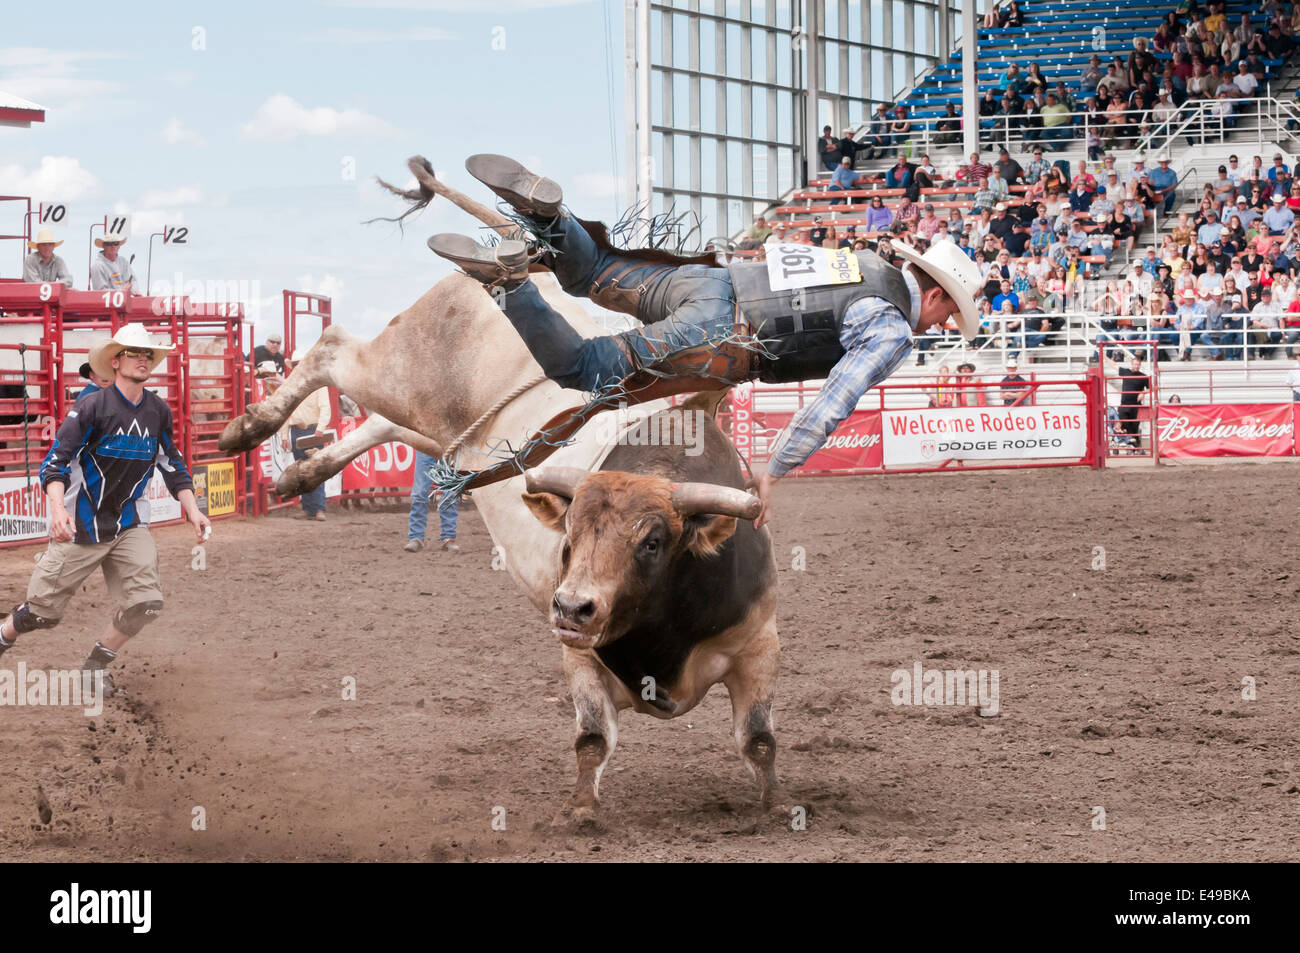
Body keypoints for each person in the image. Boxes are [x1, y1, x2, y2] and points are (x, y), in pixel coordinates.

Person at [426, 154, 982, 527]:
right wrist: (776, 465)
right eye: (945, 316)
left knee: (591, 272)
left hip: (711, 279)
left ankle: (547, 214)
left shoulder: (863, 262)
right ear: (936, 297)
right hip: (718, 336)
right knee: (584, 369)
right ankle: (509, 283)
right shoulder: (890, 325)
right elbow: (836, 399)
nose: (936, 326)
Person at [0, 324, 210, 693]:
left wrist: (192, 508)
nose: (144, 359)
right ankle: (4, 636)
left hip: (129, 523)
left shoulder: (157, 411)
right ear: (115, 361)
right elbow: (55, 463)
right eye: (135, 353)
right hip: (81, 525)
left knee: (146, 604)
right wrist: (57, 508)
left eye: (148, 354)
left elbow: (171, 461)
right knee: (41, 614)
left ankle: (94, 667)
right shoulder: (92, 407)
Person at [282, 349, 331, 521]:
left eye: (299, 364)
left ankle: (317, 508)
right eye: (295, 365)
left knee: (315, 470)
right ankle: (310, 508)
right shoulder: (290, 385)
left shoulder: (317, 384)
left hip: (312, 430)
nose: (297, 367)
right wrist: (284, 436)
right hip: (298, 430)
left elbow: (325, 407)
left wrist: (321, 427)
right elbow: (286, 412)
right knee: (301, 471)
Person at [405, 451, 461, 553]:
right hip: (426, 446)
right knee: (420, 492)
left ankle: (448, 537)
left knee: (449, 492)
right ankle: (416, 538)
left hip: (447, 445)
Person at [89, 227, 138, 294]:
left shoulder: (124, 261)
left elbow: (133, 280)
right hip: (106, 304)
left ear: (119, 246)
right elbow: (100, 292)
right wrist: (121, 291)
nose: (113, 246)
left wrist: (135, 291)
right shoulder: (97, 266)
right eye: (109, 244)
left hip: (125, 301)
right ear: (104, 246)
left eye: (115, 243)